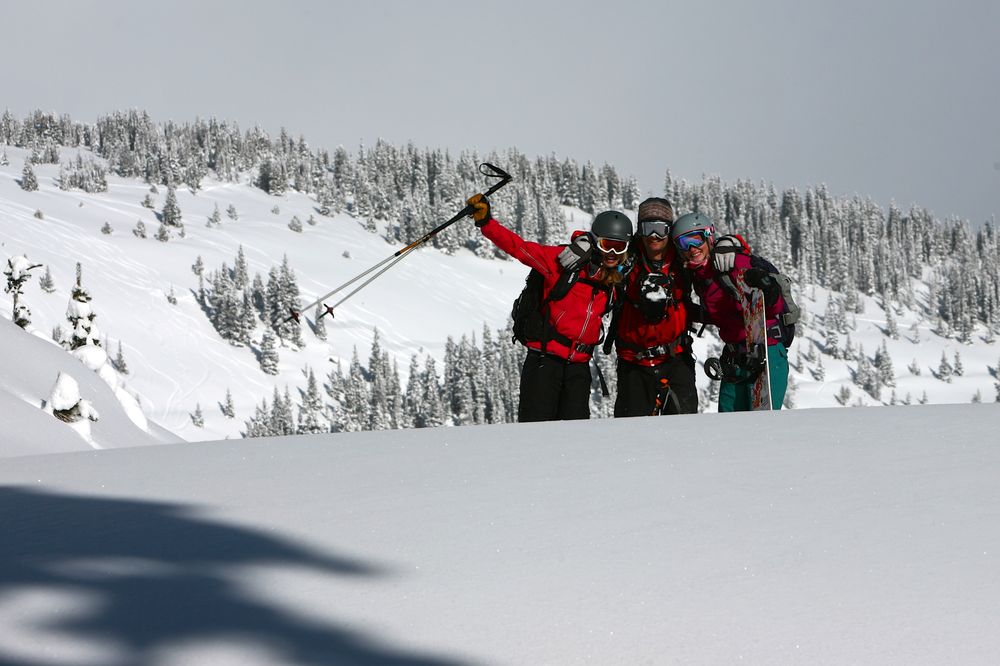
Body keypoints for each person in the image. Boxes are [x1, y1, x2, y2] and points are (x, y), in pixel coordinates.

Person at [467, 192, 630, 421]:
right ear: (595, 241)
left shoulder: (615, 280)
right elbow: (519, 248)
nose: (612, 253)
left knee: (575, 437)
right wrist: (486, 223)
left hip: (579, 369)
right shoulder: (562, 262)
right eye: (607, 245)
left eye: (619, 247)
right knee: (536, 434)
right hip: (545, 363)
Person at [565, 197, 697, 416]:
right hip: (633, 361)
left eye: (660, 229)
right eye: (648, 228)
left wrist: (730, 245)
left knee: (683, 431)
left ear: (669, 230)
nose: (654, 236)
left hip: (676, 358)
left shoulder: (683, 257)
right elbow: (601, 243)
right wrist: (583, 240)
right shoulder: (626, 255)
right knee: (632, 435)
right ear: (639, 230)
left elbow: (706, 249)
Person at [670, 212, 789, 411]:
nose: (691, 249)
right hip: (735, 359)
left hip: (767, 351)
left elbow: (774, 306)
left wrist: (767, 288)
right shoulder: (699, 277)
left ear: (709, 237)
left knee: (761, 426)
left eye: (696, 240)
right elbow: (722, 314)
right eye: (683, 243)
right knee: (729, 425)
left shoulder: (732, 261)